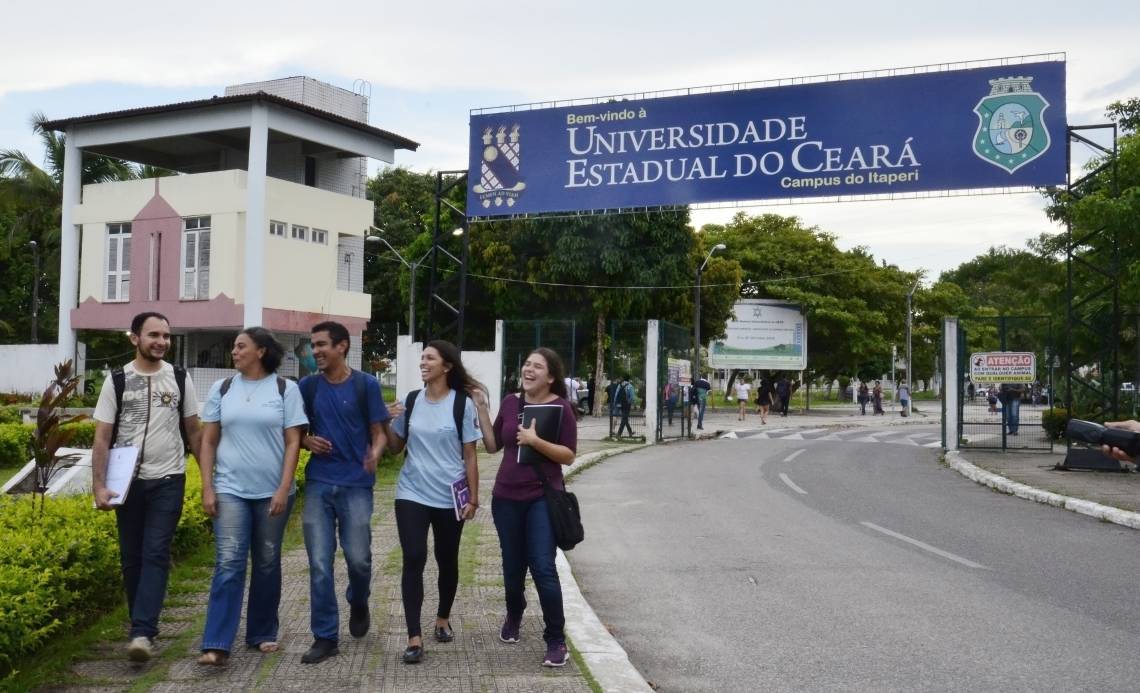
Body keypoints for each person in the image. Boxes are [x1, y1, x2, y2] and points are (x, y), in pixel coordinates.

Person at [91, 312, 202, 662]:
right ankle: (141, 624)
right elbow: (102, 437)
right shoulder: (118, 380)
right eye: (154, 335)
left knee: (155, 551)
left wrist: (211, 482)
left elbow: (195, 433)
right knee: (132, 558)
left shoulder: (180, 378)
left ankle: (142, 632)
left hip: (168, 478)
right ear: (134, 338)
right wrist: (98, 486)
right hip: (125, 483)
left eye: (166, 336)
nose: (161, 342)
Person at [197, 328, 306, 665]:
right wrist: (207, 485)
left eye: (241, 346)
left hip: (272, 492)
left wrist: (283, 487)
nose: (234, 351)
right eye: (234, 346)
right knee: (229, 562)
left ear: (261, 351)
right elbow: (208, 441)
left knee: (267, 561)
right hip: (230, 489)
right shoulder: (222, 388)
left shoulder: (285, 389)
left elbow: (293, 442)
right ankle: (216, 642)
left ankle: (262, 632)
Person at [473, 348, 577, 668]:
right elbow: (493, 446)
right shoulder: (510, 402)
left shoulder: (561, 409)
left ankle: (556, 639)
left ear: (551, 377)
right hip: (505, 498)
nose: (529, 369)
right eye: (527, 363)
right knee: (512, 567)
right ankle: (514, 613)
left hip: (541, 499)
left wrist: (535, 441)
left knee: (543, 567)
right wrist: (481, 409)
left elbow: (568, 455)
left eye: (537, 366)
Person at [386, 341, 483, 664]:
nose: (423, 362)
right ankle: (414, 636)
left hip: (448, 496)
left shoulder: (462, 405)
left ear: (446, 366)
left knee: (447, 559)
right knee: (414, 556)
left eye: (430, 358)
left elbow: (470, 455)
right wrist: (387, 421)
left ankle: (442, 617)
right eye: (422, 357)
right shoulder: (412, 401)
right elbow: (395, 448)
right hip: (411, 492)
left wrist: (473, 497)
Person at [299, 321, 390, 664]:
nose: (316, 352)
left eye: (322, 345)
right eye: (313, 345)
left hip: (356, 484)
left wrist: (376, 453)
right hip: (320, 481)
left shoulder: (366, 385)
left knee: (359, 559)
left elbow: (379, 432)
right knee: (320, 563)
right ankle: (324, 636)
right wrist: (307, 440)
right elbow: (294, 433)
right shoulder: (308, 387)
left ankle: (359, 598)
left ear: (342, 347)